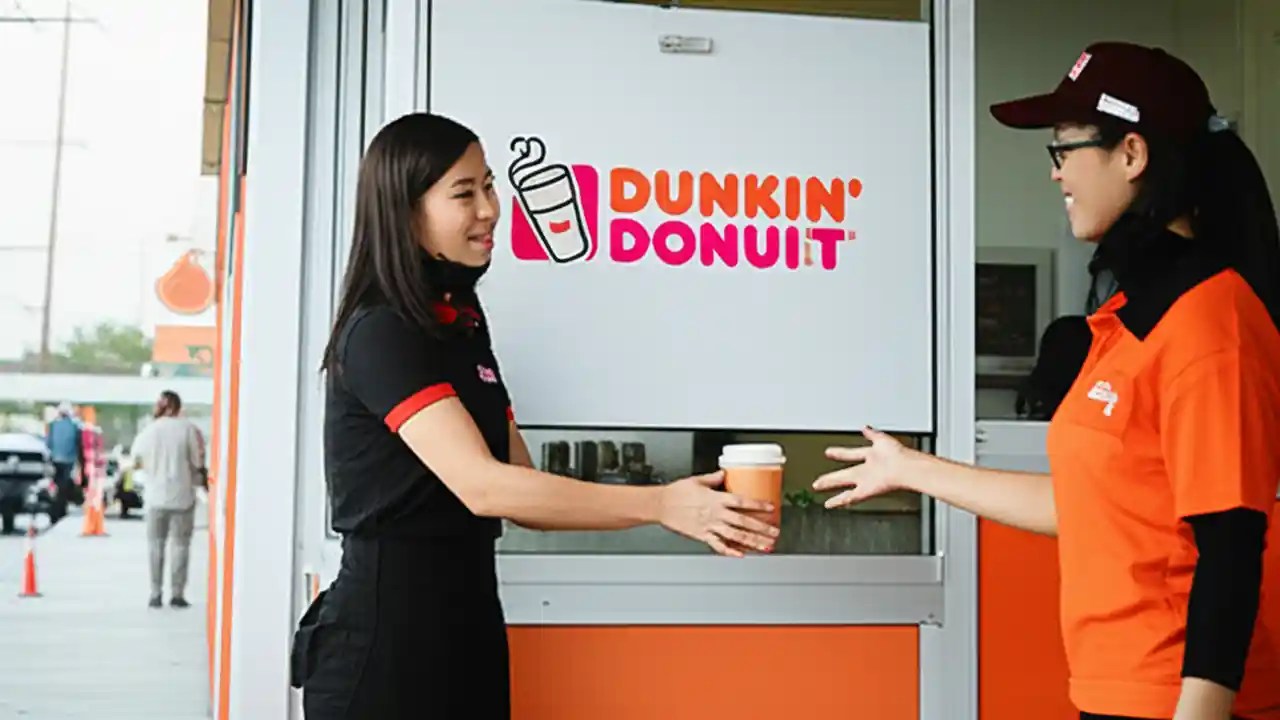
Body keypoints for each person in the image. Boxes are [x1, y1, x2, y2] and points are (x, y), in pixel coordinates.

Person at [816, 42, 1280, 720]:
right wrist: (909, 468)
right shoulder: (1124, 321)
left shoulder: (1212, 318)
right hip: (1117, 691)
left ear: (1132, 154)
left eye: (1063, 152)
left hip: (1179, 700)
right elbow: (1089, 506)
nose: (1055, 176)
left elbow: (1231, 546)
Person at [292, 112, 779, 719]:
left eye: (490, 186)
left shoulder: (463, 324)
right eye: (464, 193)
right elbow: (484, 486)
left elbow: (521, 488)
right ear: (405, 212)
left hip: (466, 632)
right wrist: (663, 505)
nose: (490, 209)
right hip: (384, 648)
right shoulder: (381, 332)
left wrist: (674, 501)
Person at [131, 390, 206, 609]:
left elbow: (136, 459)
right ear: (177, 406)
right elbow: (198, 461)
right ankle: (177, 594)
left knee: (155, 546)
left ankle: (155, 593)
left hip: (155, 497)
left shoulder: (149, 431)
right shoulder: (188, 429)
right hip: (182, 496)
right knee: (180, 546)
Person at [45, 401, 82, 520]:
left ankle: (55, 507)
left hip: (55, 459)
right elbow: (78, 443)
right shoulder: (74, 426)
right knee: (64, 485)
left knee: (55, 484)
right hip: (69, 460)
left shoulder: (53, 425)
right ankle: (62, 507)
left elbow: (48, 443)